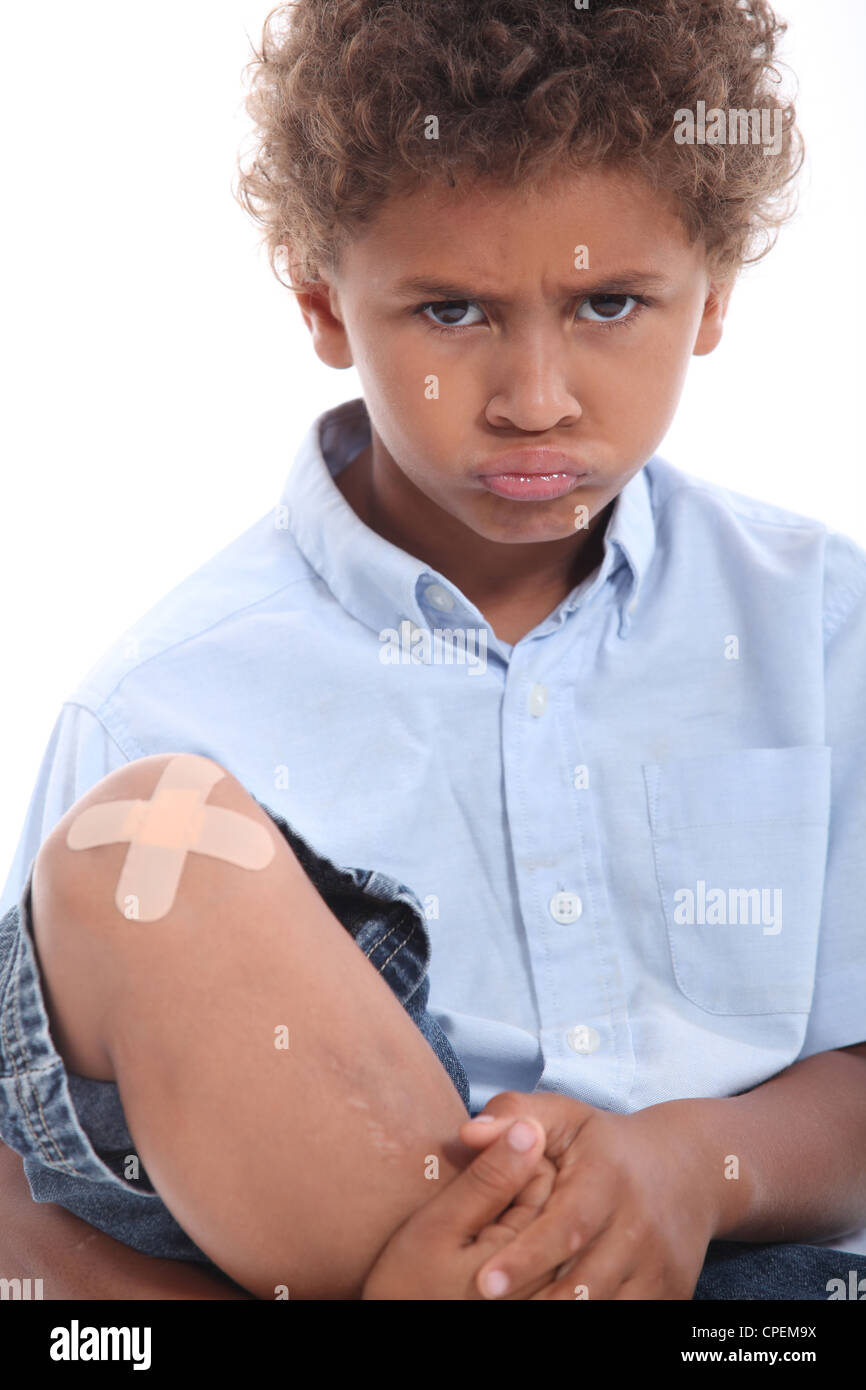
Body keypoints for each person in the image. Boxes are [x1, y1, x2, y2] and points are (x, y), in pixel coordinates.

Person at [1, 0, 865, 1301]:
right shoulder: (160, 703)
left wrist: (694, 1161)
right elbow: (24, 1215)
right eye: (452, 313)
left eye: (608, 302)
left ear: (713, 296)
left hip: (747, 1288)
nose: (533, 396)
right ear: (322, 304)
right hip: (306, 1275)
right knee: (149, 842)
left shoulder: (818, 625)